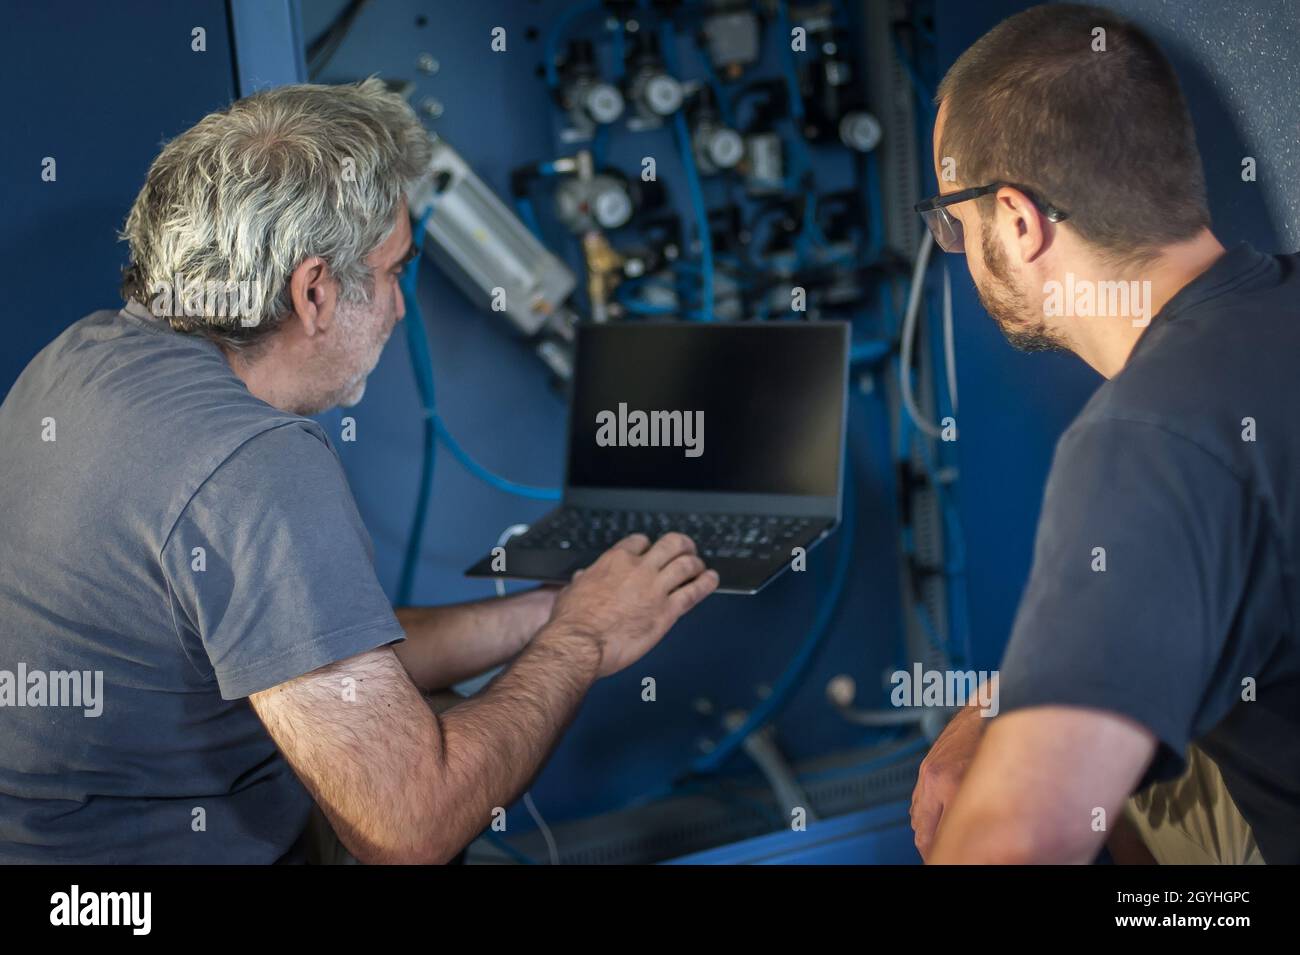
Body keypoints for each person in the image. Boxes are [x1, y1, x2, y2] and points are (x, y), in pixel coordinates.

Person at [0, 79, 717, 863]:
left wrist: (556, 610)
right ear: (314, 292)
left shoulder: (83, 357)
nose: (401, 307)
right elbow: (409, 829)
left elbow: (317, 659)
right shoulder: (255, 465)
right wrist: (584, 640)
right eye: (394, 273)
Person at [908, 4, 1298, 864]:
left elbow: (1013, 844)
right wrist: (997, 709)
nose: (958, 247)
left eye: (953, 222)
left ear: (1016, 219)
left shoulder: (1146, 438)